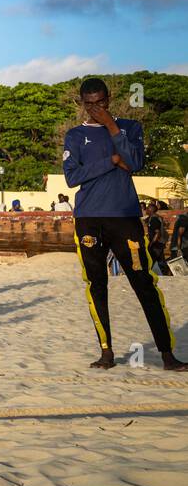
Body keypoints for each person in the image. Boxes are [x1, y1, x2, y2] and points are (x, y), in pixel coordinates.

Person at [63, 77, 186, 370]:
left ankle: (167, 355)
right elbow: (72, 177)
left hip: (125, 217)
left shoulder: (130, 127)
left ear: (109, 98)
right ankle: (106, 352)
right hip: (89, 219)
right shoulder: (75, 135)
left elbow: (136, 163)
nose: (96, 108)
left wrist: (113, 128)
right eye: (89, 103)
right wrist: (111, 160)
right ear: (82, 103)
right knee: (96, 284)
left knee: (144, 282)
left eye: (101, 102)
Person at [145, 201, 171, 276]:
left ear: (151, 210)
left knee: (152, 260)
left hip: (156, 244)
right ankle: (166, 274)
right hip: (158, 244)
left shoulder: (154, 220)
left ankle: (165, 273)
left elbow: (157, 233)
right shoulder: (153, 218)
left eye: (147, 209)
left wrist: (151, 243)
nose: (146, 210)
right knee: (160, 260)